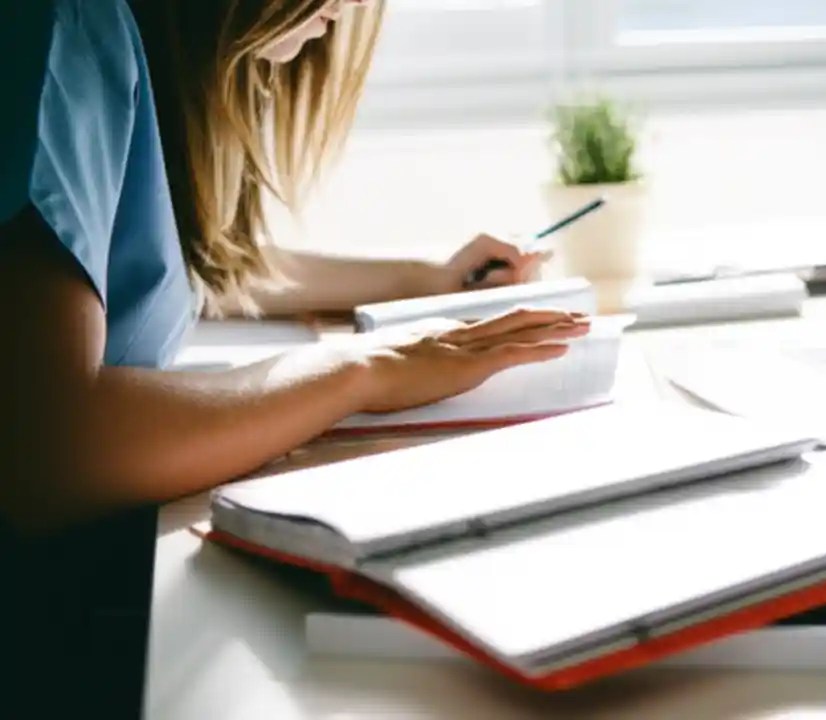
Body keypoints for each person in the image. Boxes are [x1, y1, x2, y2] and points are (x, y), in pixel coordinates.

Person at [0, 0, 591, 538]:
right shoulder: (66, 27)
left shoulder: (128, 42)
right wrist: (363, 369)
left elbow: (182, 274)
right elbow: (51, 442)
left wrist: (426, 277)